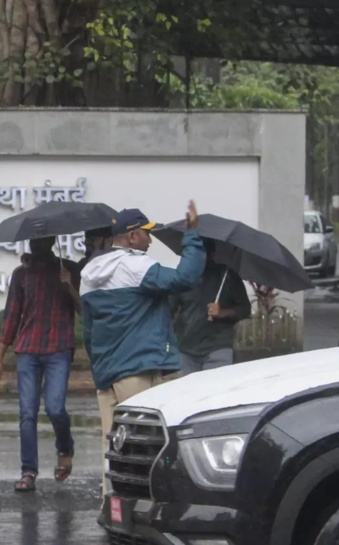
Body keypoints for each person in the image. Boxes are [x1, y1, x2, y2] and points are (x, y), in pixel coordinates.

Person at [80, 202, 205, 488]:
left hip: (107, 373)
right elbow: (185, 278)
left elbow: (88, 330)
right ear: (132, 235)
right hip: (137, 369)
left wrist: (99, 369)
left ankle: (111, 500)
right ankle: (138, 505)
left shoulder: (89, 274)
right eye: (147, 234)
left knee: (112, 443)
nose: (150, 240)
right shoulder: (136, 266)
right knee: (145, 442)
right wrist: (193, 236)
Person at [0, 236, 81, 492]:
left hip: (58, 349)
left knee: (55, 408)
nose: (36, 245)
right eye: (33, 241)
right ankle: (28, 471)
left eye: (41, 240)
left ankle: (65, 448)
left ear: (51, 242)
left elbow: (86, 310)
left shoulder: (69, 269)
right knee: (27, 414)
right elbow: (12, 316)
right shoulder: (21, 275)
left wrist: (69, 287)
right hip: (27, 350)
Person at [172, 241, 252, 376]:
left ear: (211, 254)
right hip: (186, 349)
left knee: (215, 393)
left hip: (218, 347)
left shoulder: (227, 276)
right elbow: (170, 310)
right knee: (187, 394)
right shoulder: (181, 277)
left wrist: (223, 312)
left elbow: (245, 309)